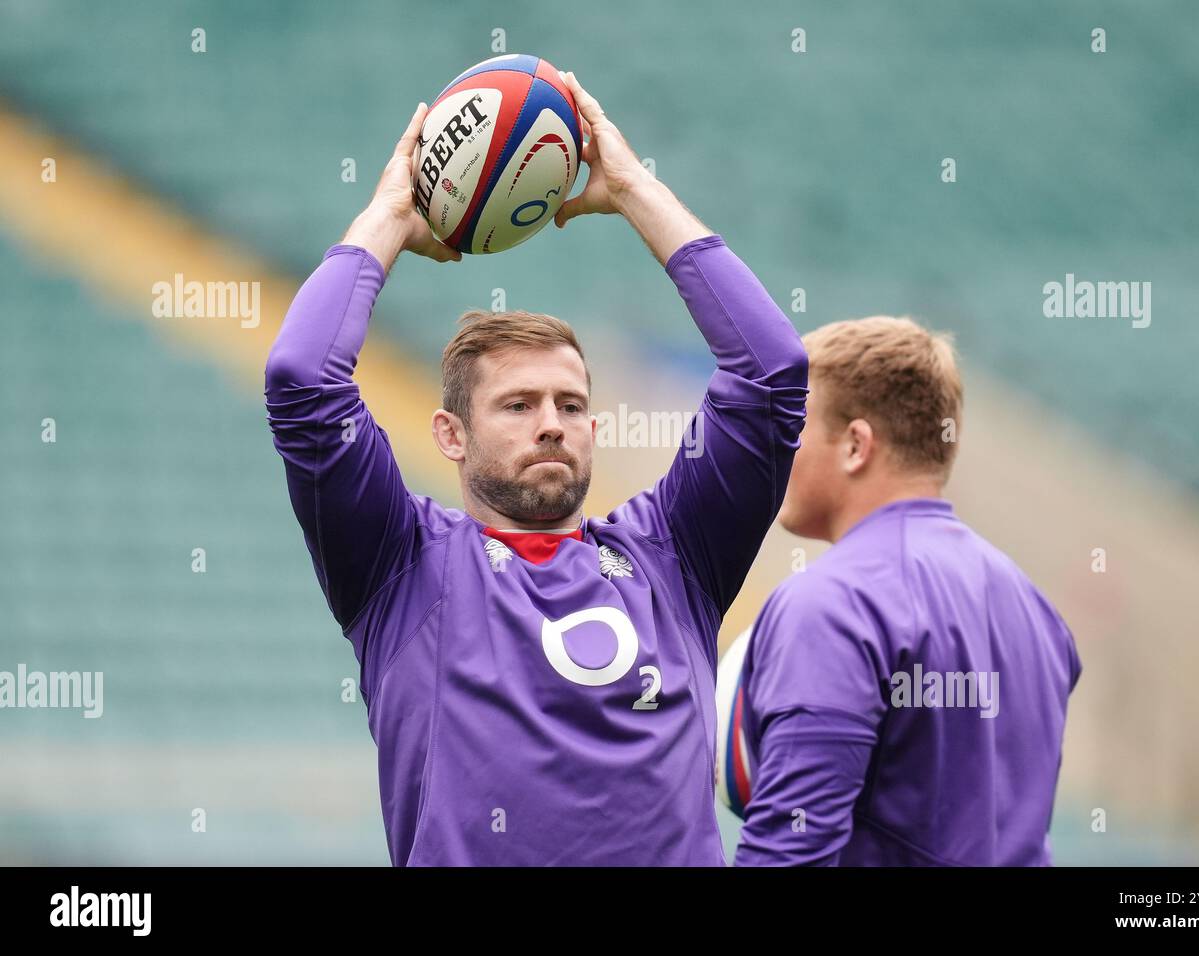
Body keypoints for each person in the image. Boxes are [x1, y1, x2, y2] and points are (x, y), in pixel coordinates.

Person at [264, 71, 807, 865]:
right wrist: (385, 219)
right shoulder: (399, 565)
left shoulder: (673, 554)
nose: (552, 424)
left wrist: (631, 188)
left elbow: (771, 375)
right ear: (450, 434)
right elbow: (302, 378)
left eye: (571, 404)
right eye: (517, 406)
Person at [730, 316, 1081, 866]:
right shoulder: (1035, 609)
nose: (779, 449)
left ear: (855, 445)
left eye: (794, 427)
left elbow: (790, 853)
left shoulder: (832, 603)